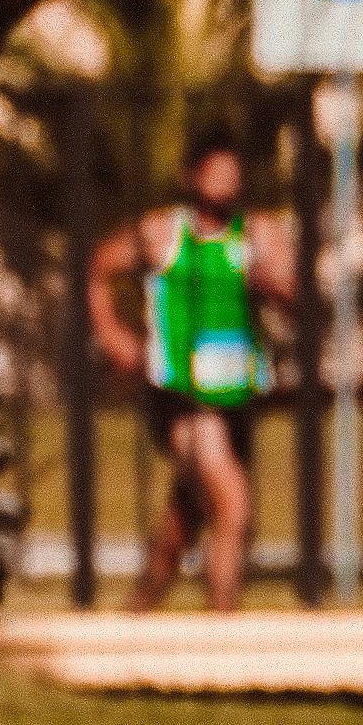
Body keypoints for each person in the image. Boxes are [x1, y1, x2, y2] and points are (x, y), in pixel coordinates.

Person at [88, 131, 297, 613]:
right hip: (179, 395)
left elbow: (298, 296)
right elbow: (95, 268)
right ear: (192, 177)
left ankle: (138, 611)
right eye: (216, 173)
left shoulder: (258, 233)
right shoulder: (163, 232)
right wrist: (113, 335)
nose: (227, 182)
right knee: (232, 503)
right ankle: (223, 624)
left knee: (185, 515)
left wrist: (273, 285)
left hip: (236, 393)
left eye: (233, 173)